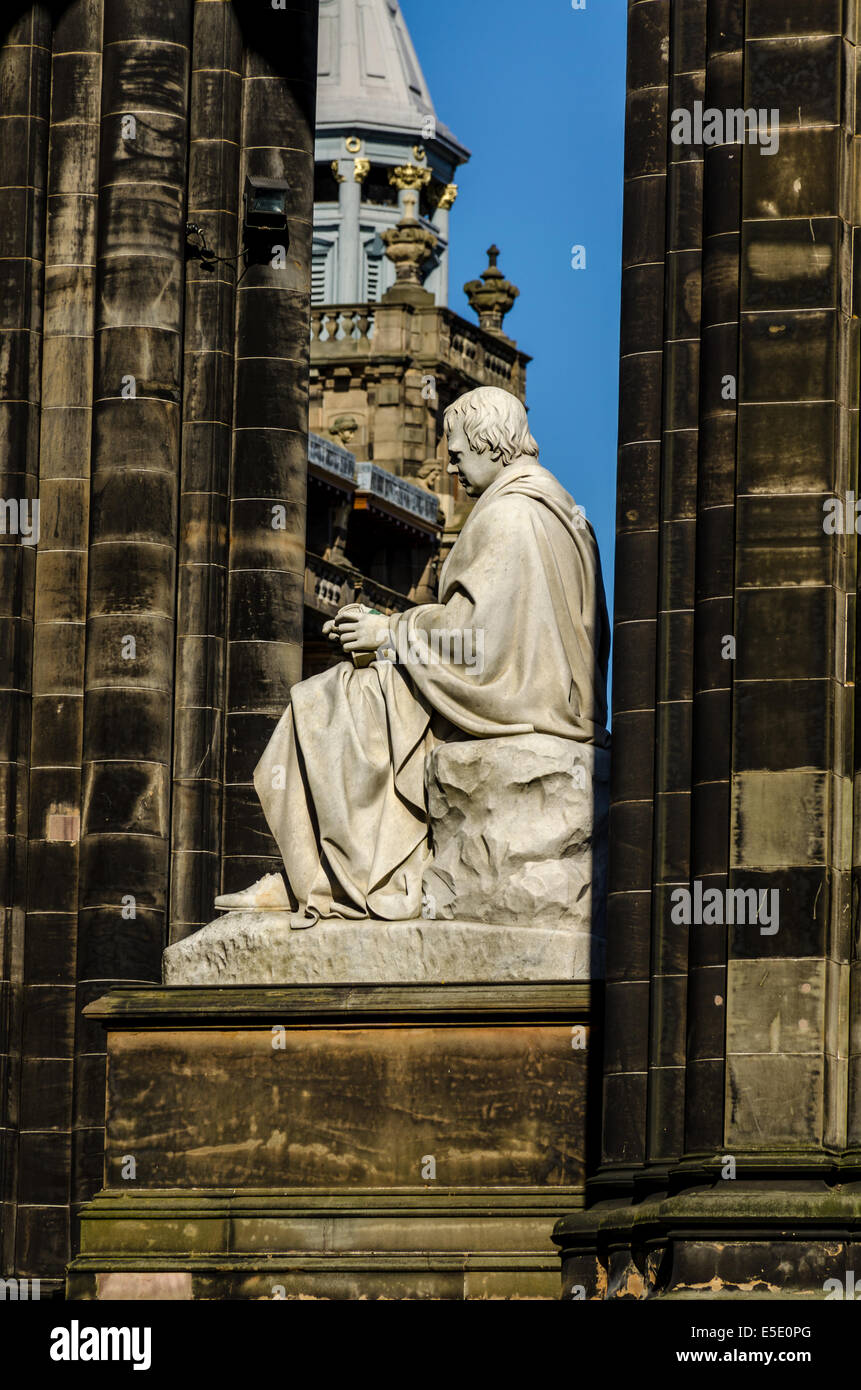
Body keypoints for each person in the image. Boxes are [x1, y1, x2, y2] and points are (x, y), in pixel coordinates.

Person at [214, 386, 609, 926]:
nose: (451, 467)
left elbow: (478, 642)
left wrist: (388, 632)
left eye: (458, 453)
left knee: (330, 699)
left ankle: (328, 877)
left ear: (491, 444)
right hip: (542, 695)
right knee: (353, 692)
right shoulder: (564, 512)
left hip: (511, 696)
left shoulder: (509, 515)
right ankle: (319, 871)